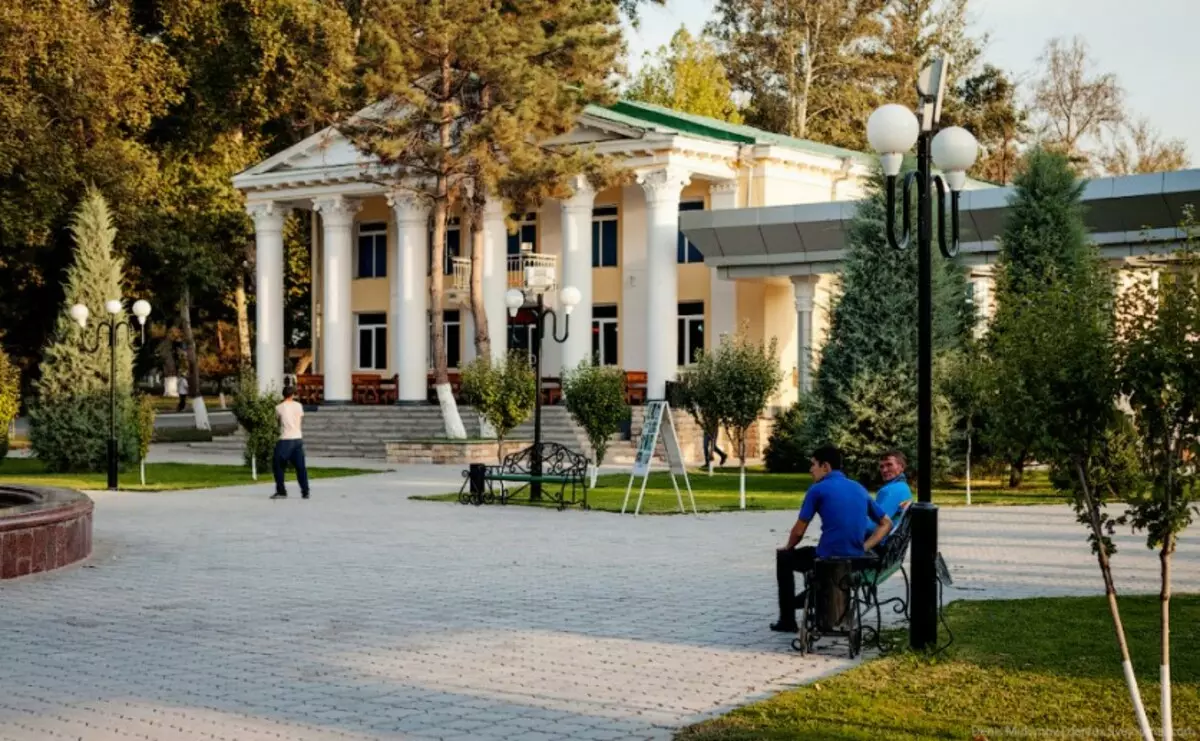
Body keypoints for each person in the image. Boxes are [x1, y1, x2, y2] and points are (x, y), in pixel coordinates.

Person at [771, 445, 891, 633]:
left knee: (785, 558)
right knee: (815, 563)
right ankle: (810, 604)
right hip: (856, 559)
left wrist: (788, 547)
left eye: (813, 465)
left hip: (828, 560)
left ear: (825, 466)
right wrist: (865, 546)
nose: (811, 470)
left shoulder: (817, 490)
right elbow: (886, 523)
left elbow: (799, 530)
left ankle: (787, 620)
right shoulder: (858, 488)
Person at [271, 386, 310, 500]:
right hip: (297, 438)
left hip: (285, 439)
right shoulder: (298, 406)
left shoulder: (279, 407)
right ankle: (305, 491)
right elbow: (300, 419)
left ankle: (281, 490)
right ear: (293, 395)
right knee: (300, 467)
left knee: (278, 464)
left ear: (283, 395)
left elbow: (277, 421)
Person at [867, 450, 913, 543]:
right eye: (881, 466)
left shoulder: (893, 490)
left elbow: (872, 526)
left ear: (901, 467)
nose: (884, 470)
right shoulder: (904, 487)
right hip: (890, 546)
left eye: (889, 465)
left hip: (878, 545)